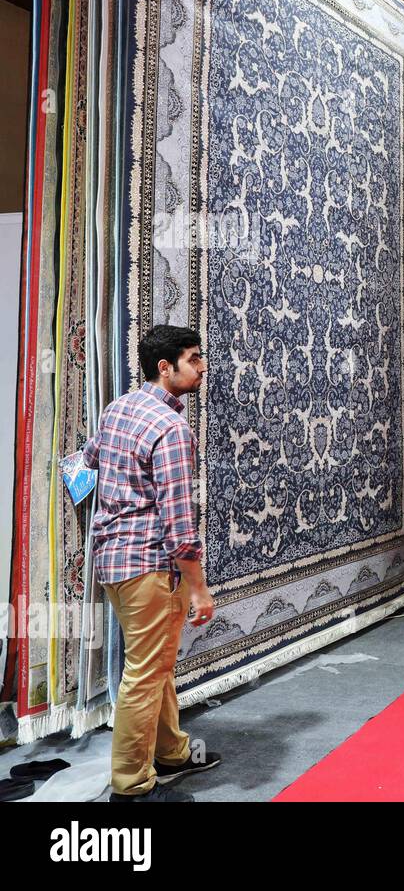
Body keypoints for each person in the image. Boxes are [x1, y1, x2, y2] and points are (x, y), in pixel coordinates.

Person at [82, 324, 222, 802]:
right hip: (148, 565)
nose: (203, 367)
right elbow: (179, 521)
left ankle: (172, 752)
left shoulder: (117, 408)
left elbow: (90, 458)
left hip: (113, 565)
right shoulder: (170, 428)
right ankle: (129, 782)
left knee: (154, 663)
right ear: (166, 367)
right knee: (144, 673)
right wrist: (198, 587)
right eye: (194, 358)